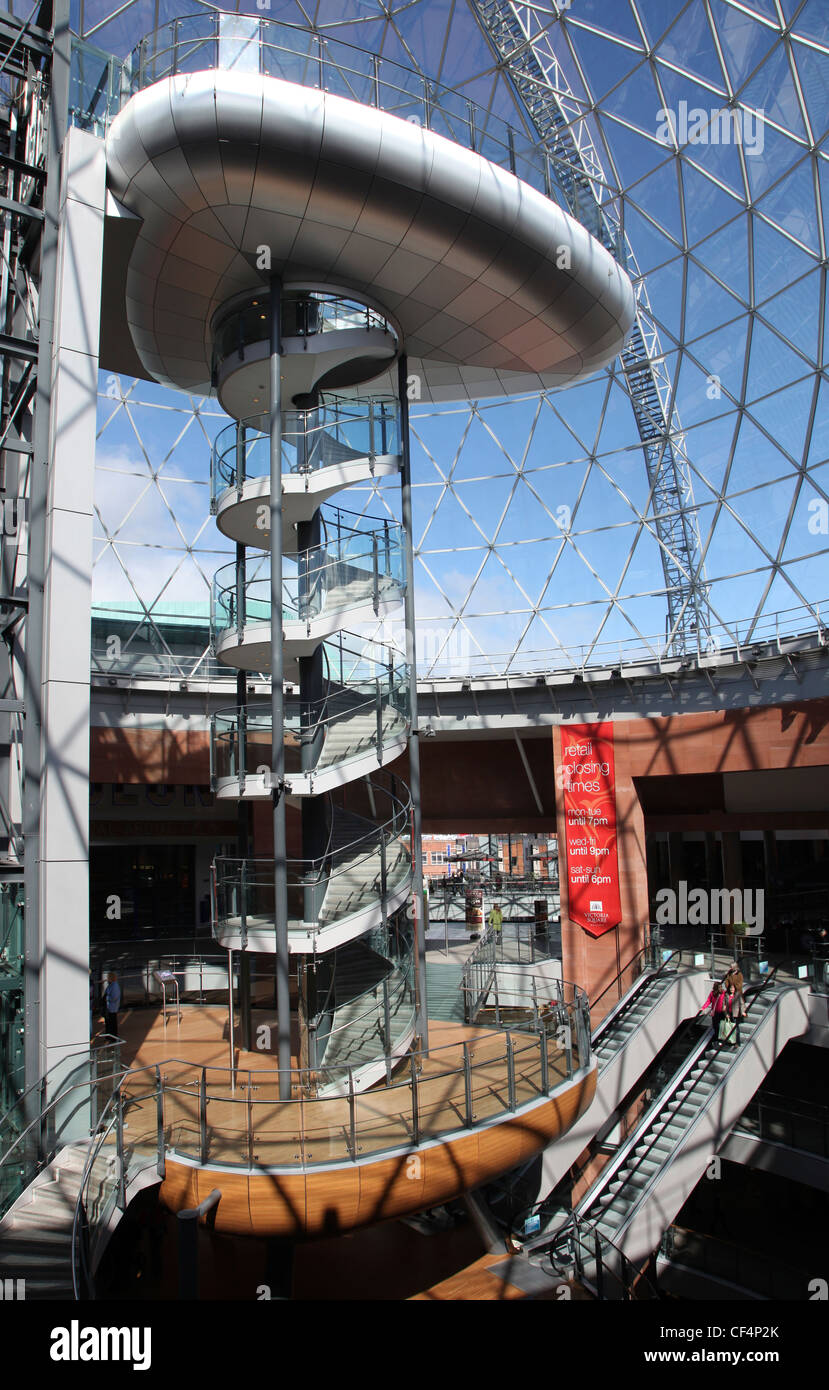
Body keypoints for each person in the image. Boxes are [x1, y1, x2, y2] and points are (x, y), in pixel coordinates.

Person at [104, 971, 121, 1038]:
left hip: (112, 1008)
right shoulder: (112, 985)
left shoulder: (114, 986)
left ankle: (113, 1036)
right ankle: (110, 1035)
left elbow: (114, 997)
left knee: (112, 1023)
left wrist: (107, 998)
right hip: (110, 1008)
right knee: (109, 1022)